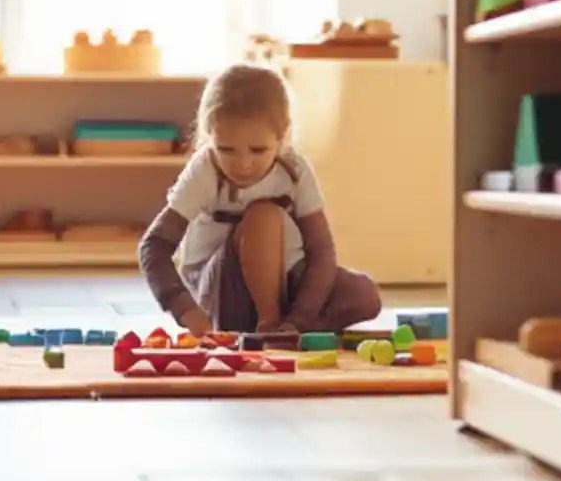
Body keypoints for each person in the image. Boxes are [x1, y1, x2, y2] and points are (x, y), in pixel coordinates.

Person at [138, 62, 382, 336]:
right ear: (210, 136)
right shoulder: (205, 170)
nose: (243, 164)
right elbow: (153, 246)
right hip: (223, 293)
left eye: (258, 150)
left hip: (286, 283)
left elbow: (321, 251)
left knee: (363, 295)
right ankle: (269, 325)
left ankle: (285, 331)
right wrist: (185, 309)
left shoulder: (294, 170)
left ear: (282, 136)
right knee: (264, 216)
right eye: (226, 149)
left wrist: (300, 317)